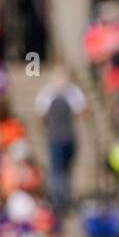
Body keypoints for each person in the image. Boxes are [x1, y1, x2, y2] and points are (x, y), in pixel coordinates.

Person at [34, 69, 86, 215]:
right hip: (63, 137)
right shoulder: (55, 93)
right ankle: (62, 200)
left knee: (60, 171)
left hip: (60, 137)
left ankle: (61, 200)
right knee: (61, 171)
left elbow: (40, 116)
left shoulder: (67, 93)